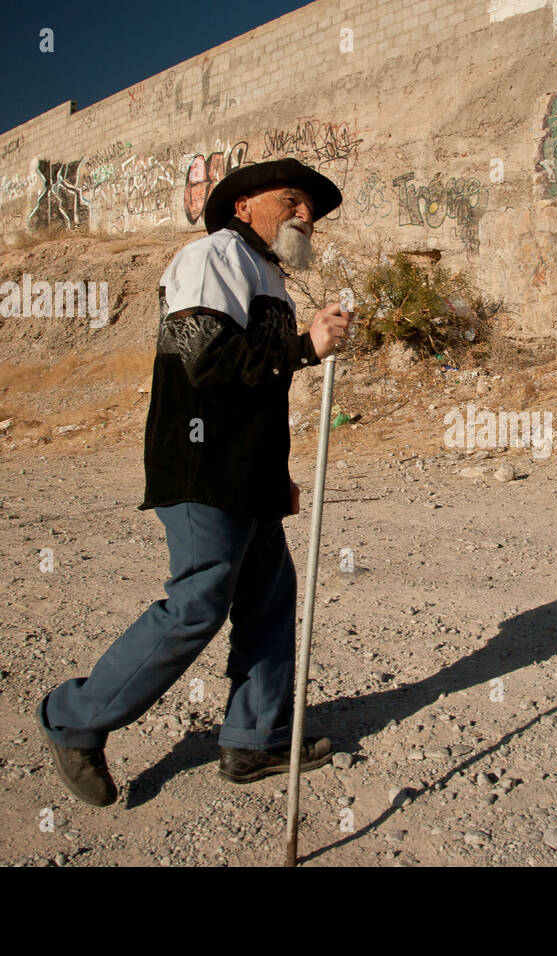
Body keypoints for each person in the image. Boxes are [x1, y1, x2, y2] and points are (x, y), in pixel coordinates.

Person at [36, 158, 352, 807]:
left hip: (248, 472)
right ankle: (75, 719)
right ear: (242, 206)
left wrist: (278, 477)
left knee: (268, 598)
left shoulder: (269, 275)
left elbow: (261, 393)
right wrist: (303, 347)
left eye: (312, 208)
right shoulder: (214, 255)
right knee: (199, 602)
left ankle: (253, 739)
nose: (306, 215)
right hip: (200, 465)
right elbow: (203, 357)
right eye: (292, 200)